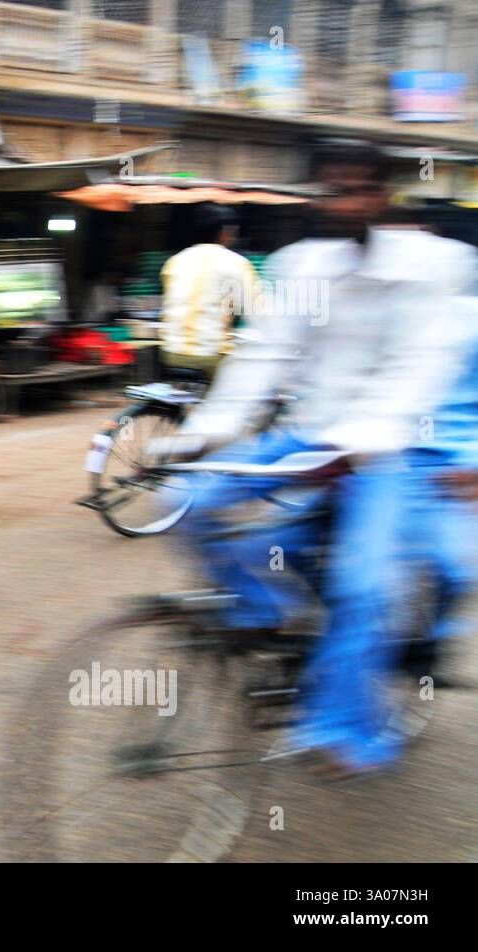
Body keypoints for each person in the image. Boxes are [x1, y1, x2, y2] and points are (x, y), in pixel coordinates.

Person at [173, 140, 478, 776]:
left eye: (358, 189)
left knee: (362, 584)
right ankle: (263, 611)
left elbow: (416, 369)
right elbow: (266, 354)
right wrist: (205, 432)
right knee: (185, 500)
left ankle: (352, 730)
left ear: (384, 195)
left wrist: (363, 441)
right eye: (331, 189)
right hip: (311, 433)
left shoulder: (426, 270)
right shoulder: (301, 266)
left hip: (382, 450)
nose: (342, 203)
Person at [158, 204, 259, 380]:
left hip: (171, 352)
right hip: (211, 356)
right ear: (224, 232)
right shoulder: (237, 263)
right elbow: (256, 310)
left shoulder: (174, 261)